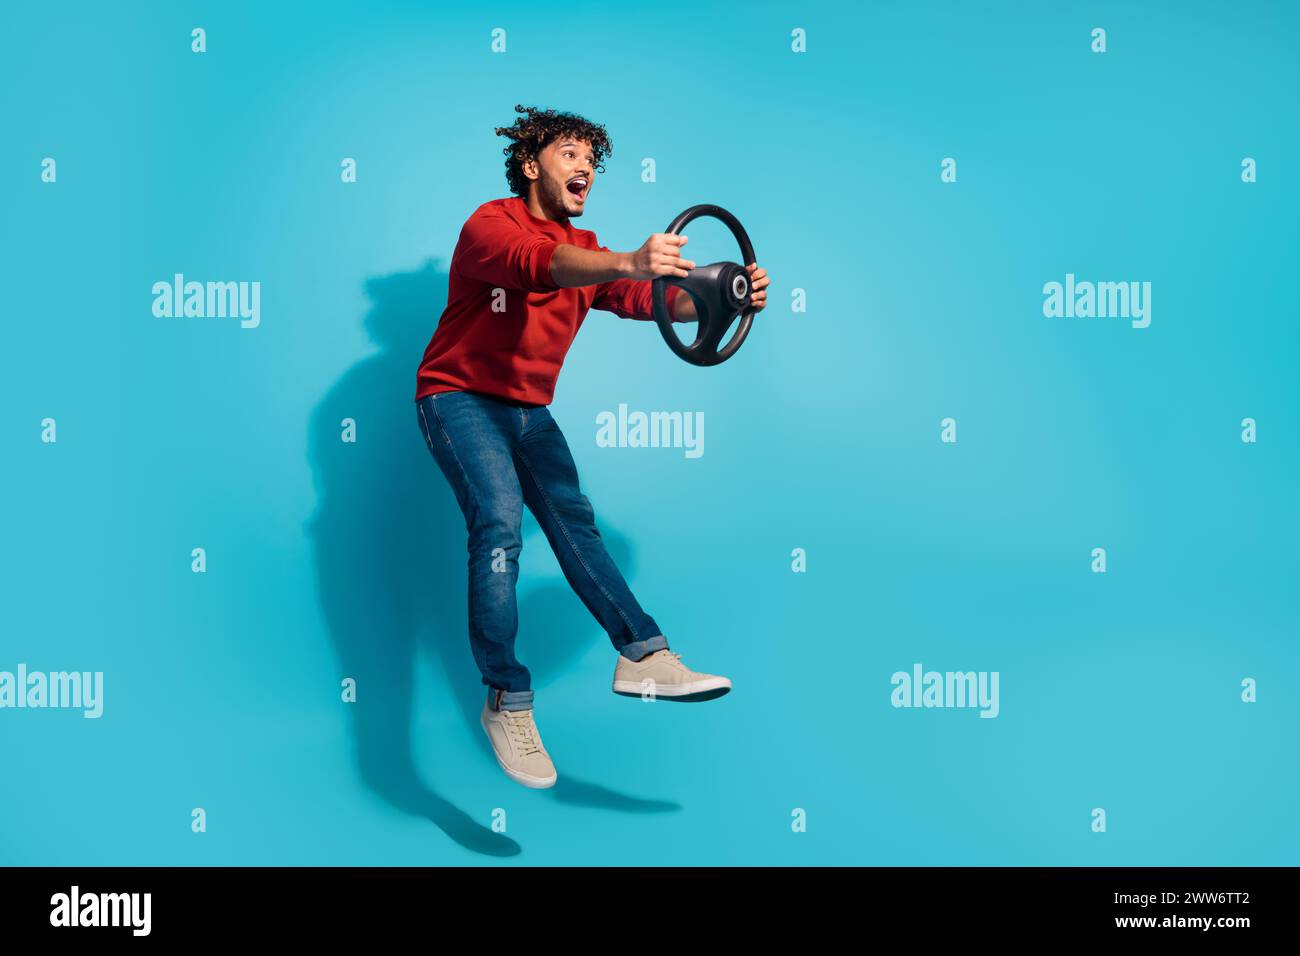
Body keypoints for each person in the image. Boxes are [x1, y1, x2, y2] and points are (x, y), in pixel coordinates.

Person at [413, 104, 770, 788]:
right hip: (456, 397)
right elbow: (537, 265)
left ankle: (643, 656)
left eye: (591, 160)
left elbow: (655, 304)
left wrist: (729, 295)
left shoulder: (593, 249)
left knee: (577, 527)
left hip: (526, 411)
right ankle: (506, 700)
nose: (584, 168)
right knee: (499, 524)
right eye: (570, 154)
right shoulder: (490, 224)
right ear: (529, 164)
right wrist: (630, 259)